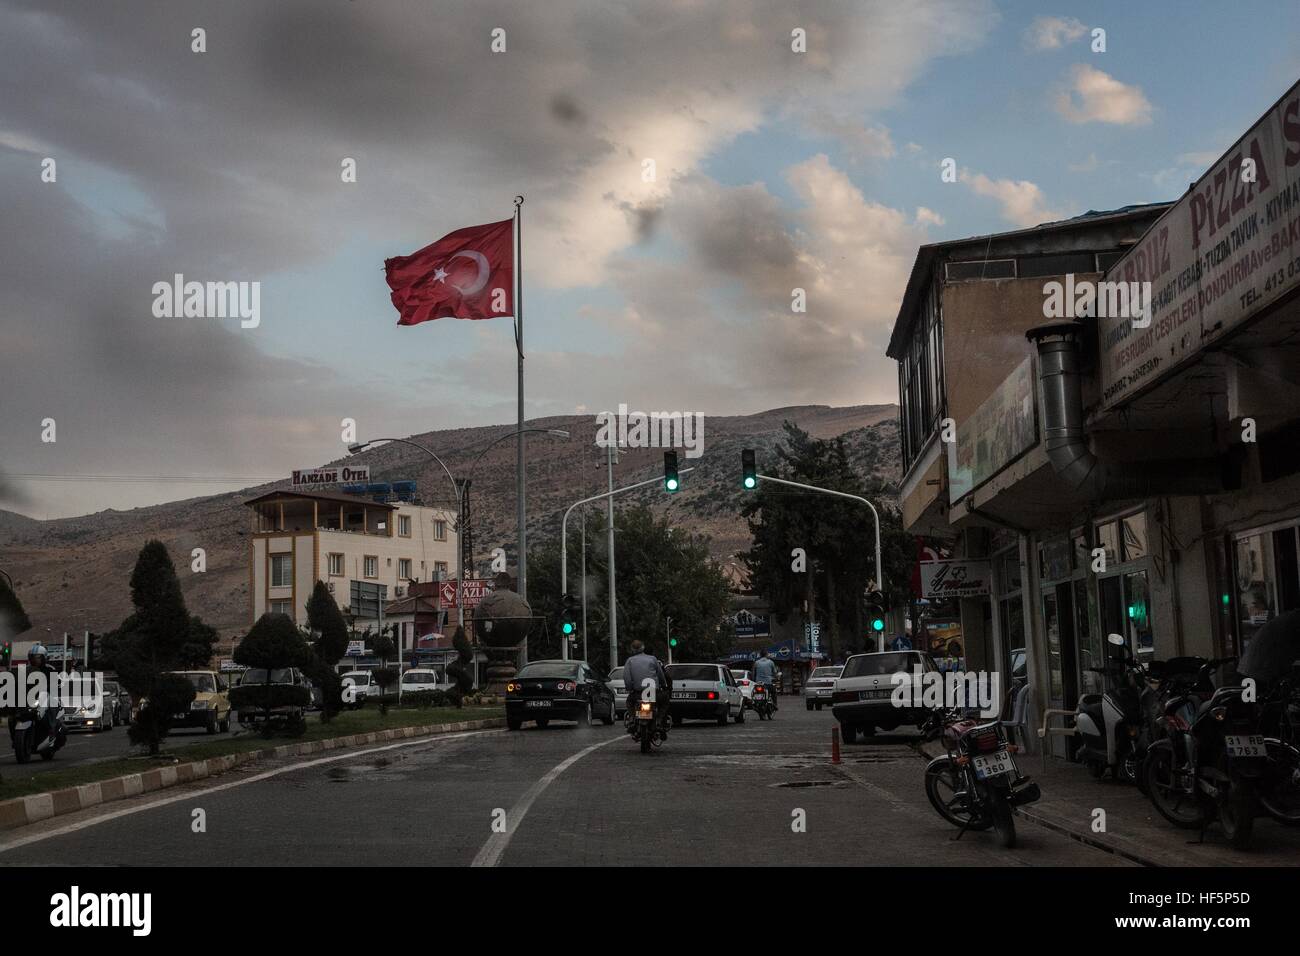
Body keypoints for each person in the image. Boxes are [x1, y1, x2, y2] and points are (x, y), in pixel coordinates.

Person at [622, 640, 671, 727]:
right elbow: (660, 674)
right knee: (665, 701)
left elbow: (627, 678)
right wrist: (664, 685)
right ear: (643, 648)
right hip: (653, 693)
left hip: (638, 693)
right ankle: (659, 720)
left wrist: (629, 688)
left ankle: (632, 718)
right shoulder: (652, 659)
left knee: (629, 702)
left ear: (632, 650)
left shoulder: (630, 661)